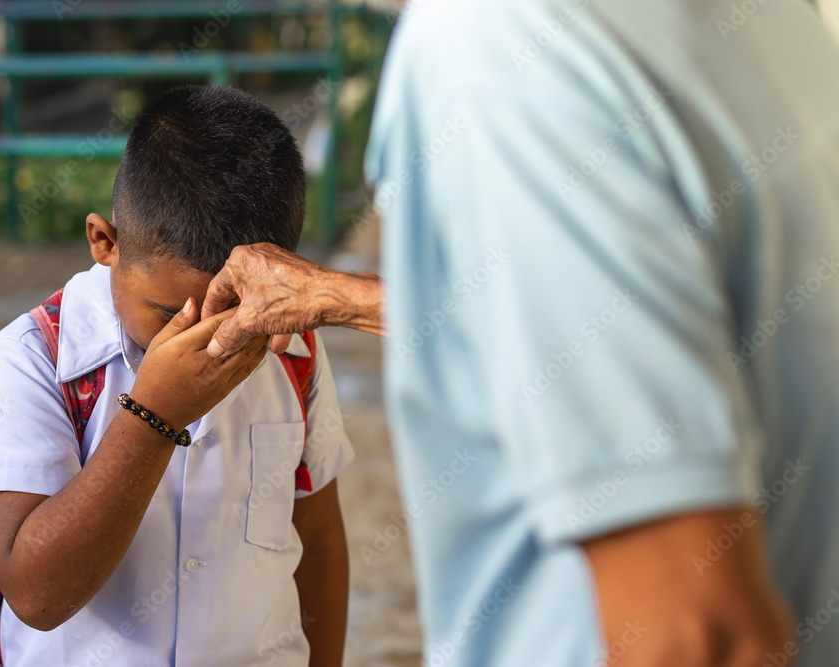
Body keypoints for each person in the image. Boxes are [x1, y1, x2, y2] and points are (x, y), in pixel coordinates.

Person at [203, 0, 839, 665]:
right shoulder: (764, 18)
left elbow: (699, 633)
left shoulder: (495, 51)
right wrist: (339, 297)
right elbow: (590, 312)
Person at [0, 86, 354, 667]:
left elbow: (320, 540)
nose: (209, 336)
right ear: (106, 242)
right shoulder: (34, 359)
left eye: (237, 313)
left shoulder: (292, 353)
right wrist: (155, 415)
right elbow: (36, 595)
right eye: (169, 310)